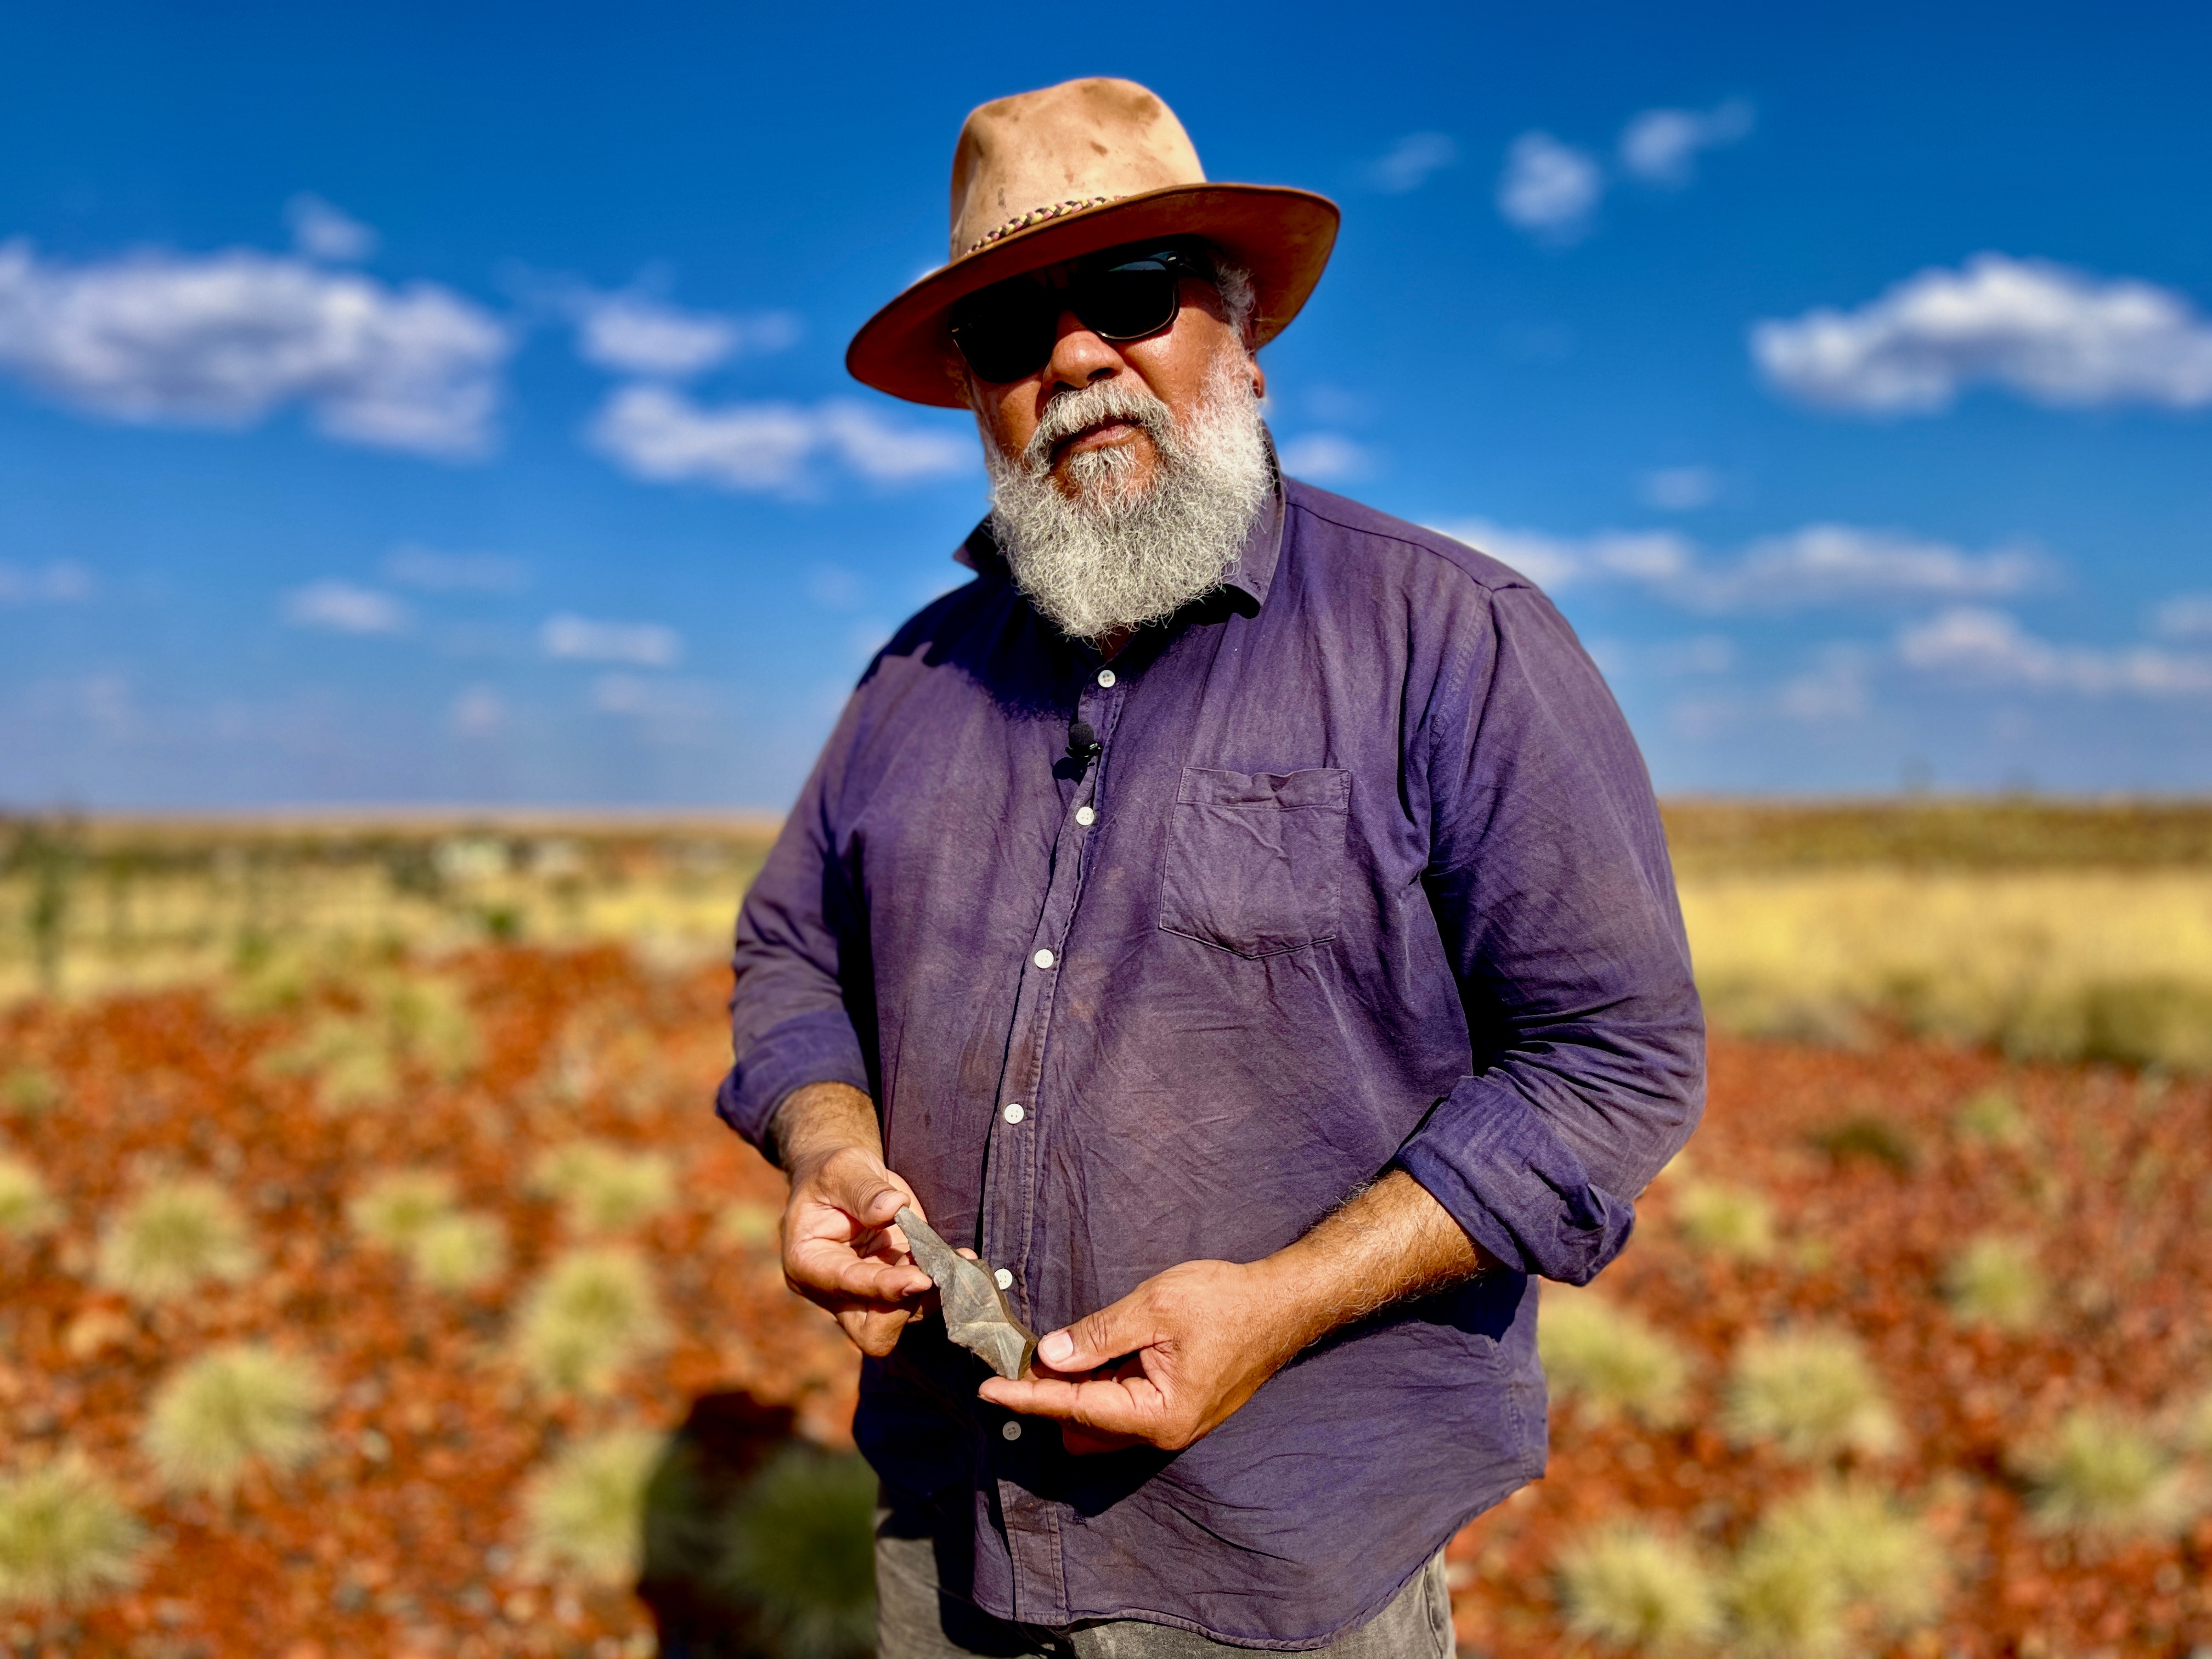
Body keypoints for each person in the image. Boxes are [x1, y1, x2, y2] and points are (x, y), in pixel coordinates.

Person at [719, 76, 1704, 1657]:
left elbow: (1614, 1060)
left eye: (1126, 295)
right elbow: (790, 954)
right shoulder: (912, 679)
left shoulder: (1454, 638)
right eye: (1005, 332)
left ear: (1241, 337)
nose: (1073, 358)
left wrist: (1284, 1304)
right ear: (974, 393)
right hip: (944, 1519)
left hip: (1279, 1562)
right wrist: (825, 1147)